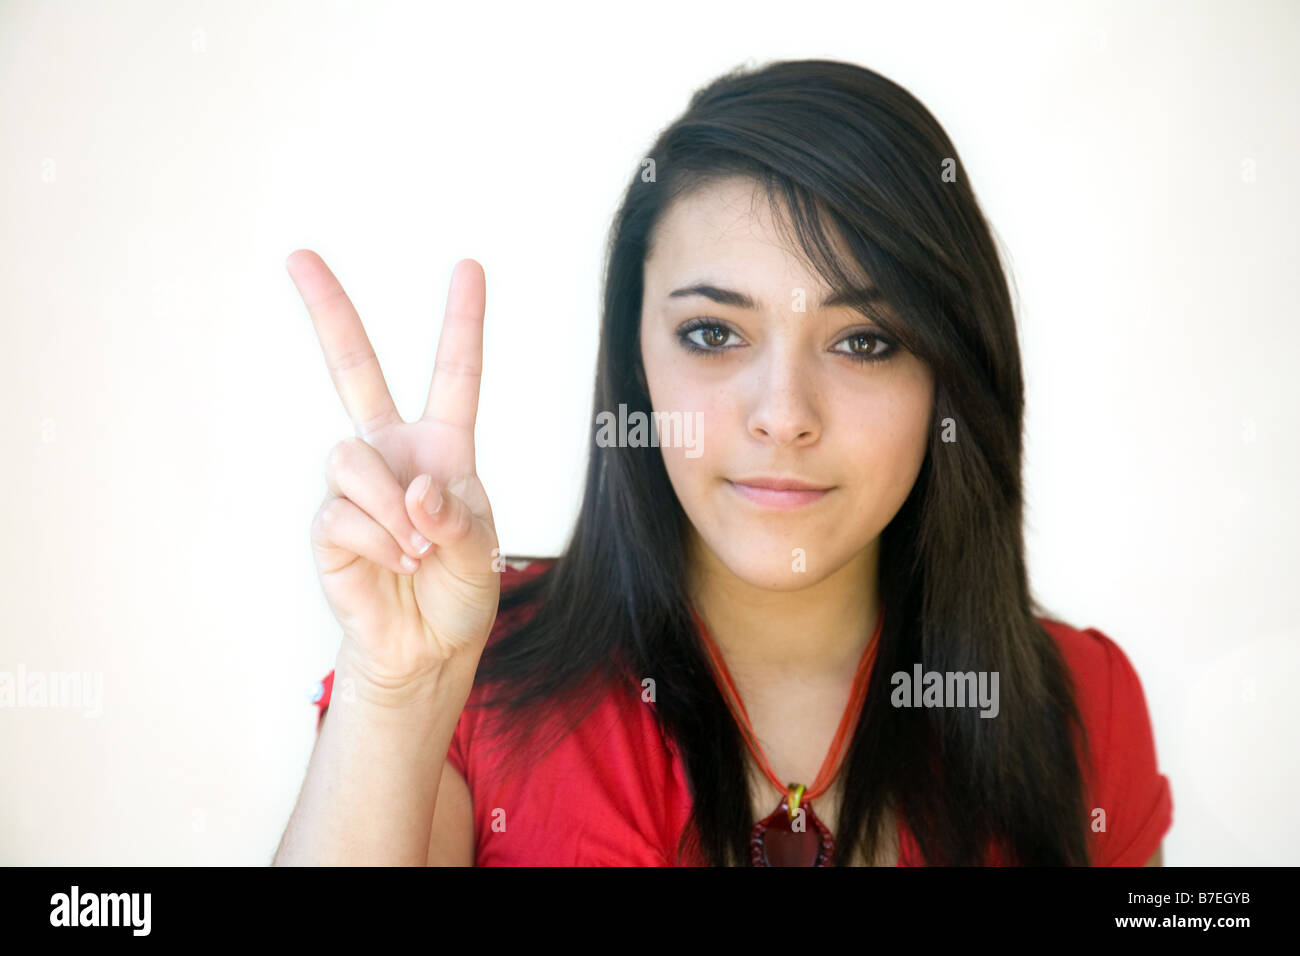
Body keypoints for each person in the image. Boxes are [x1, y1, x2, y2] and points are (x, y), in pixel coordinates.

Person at [272, 58, 1172, 867]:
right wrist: (398, 691)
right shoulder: (470, 676)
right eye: (713, 333)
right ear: (636, 365)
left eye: (864, 341)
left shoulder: (1083, 706)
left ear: (950, 372)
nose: (782, 416)